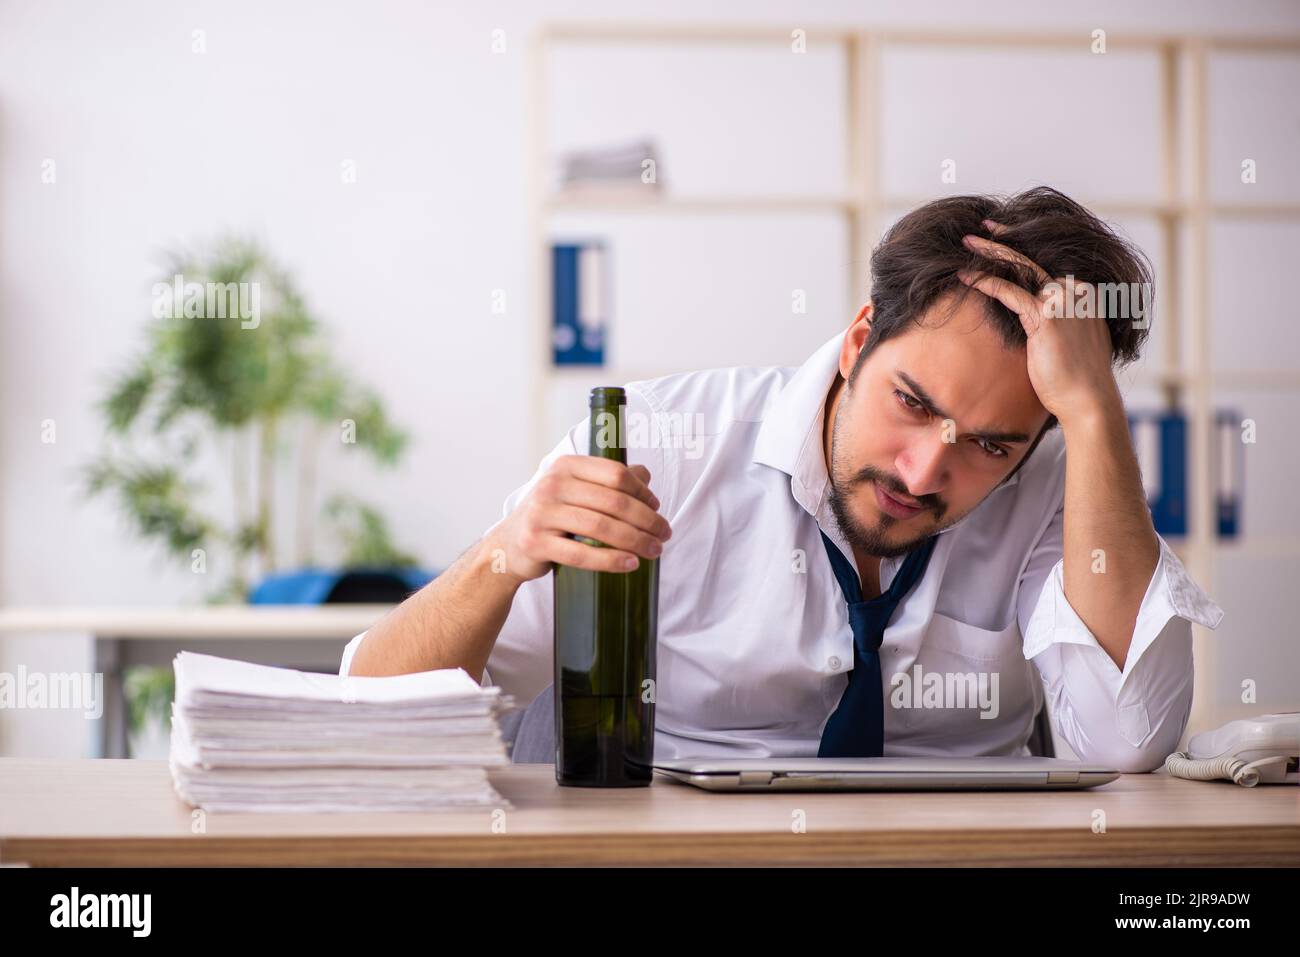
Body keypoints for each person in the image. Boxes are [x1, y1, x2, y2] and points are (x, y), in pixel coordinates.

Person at [341, 186, 1223, 772]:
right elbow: (372, 715)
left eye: (990, 446)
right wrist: (502, 554)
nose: (924, 471)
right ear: (858, 340)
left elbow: (1125, 740)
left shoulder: (1059, 481)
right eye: (912, 402)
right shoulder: (664, 447)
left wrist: (1096, 416)